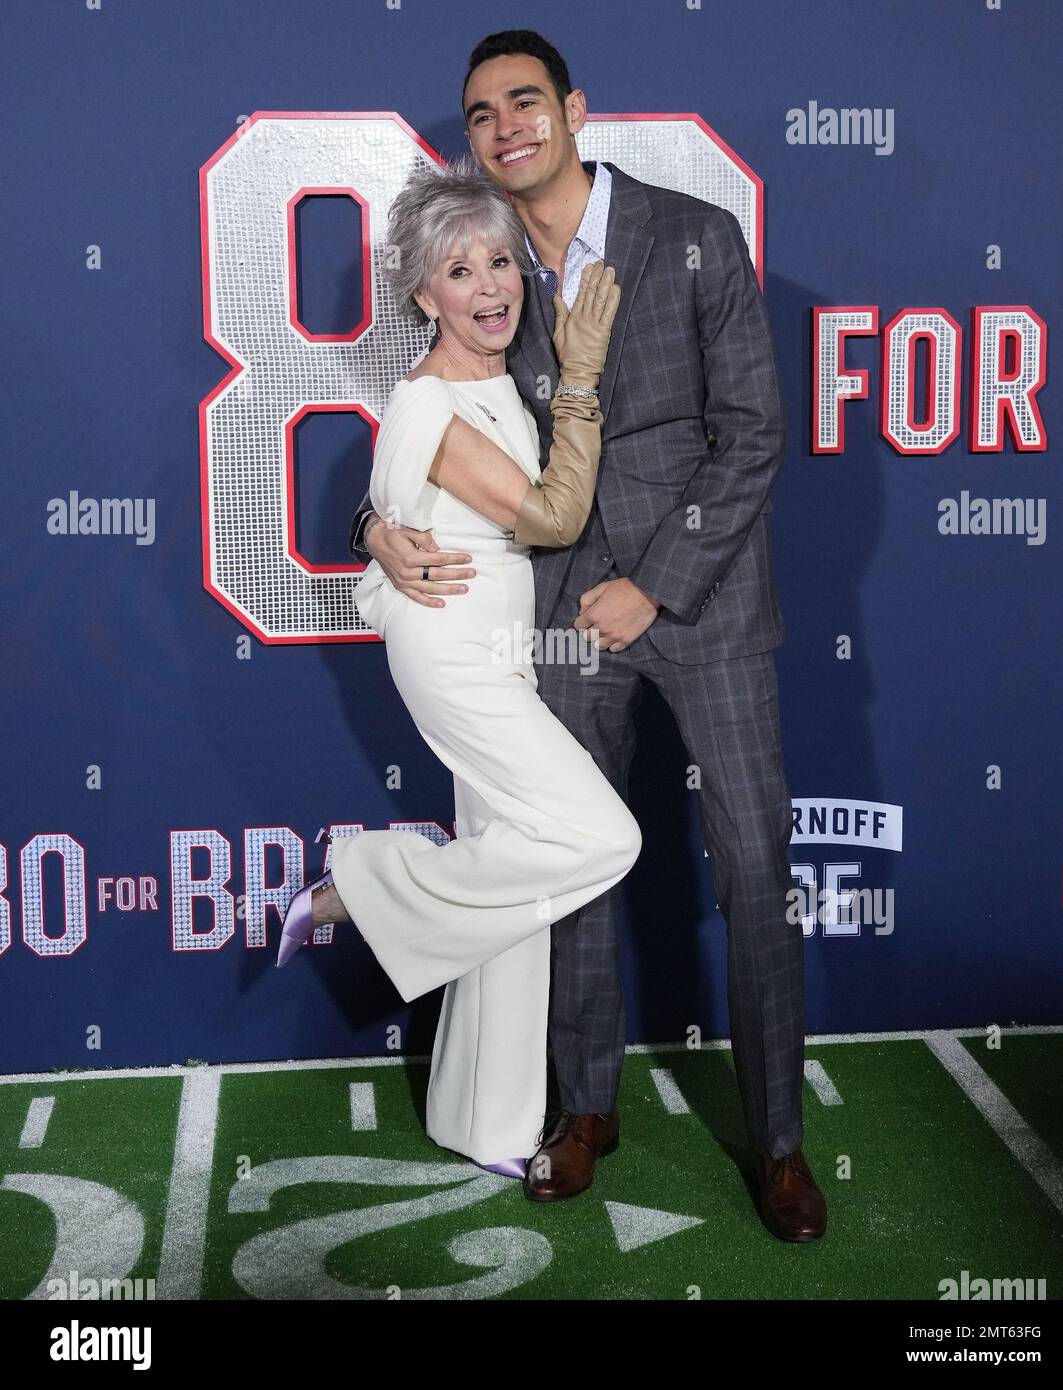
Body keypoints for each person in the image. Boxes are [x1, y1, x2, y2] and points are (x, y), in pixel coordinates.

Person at [350, 30, 828, 1239]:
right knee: (570, 864)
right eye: (480, 113)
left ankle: (776, 1143)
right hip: (557, 619)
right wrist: (374, 522)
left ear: (571, 108)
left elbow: (753, 434)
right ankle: (584, 1107)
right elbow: (436, 403)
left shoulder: (692, 234)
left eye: (524, 101)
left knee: (756, 875)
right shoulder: (492, 255)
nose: (504, 125)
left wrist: (656, 585)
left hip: (700, 605)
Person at [278, 155, 639, 1180]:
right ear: (419, 292)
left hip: (500, 646)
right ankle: (354, 887)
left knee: (512, 876)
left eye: (498, 261)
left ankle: (484, 1123)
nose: (487, 286)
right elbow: (553, 515)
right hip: (455, 652)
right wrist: (578, 372)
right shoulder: (430, 401)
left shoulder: (492, 381)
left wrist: (375, 524)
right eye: (457, 270)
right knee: (601, 836)